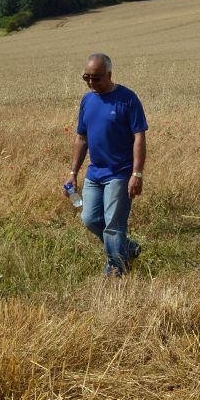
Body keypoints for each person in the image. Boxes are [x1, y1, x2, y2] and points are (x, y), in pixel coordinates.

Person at [67, 53, 148, 277]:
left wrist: (137, 174)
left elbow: (139, 137)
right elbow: (81, 138)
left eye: (96, 78)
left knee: (113, 224)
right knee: (90, 219)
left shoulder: (127, 99)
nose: (91, 82)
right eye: (86, 77)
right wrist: (73, 172)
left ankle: (115, 268)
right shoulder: (87, 101)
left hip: (120, 173)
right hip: (95, 173)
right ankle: (127, 248)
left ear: (109, 75)